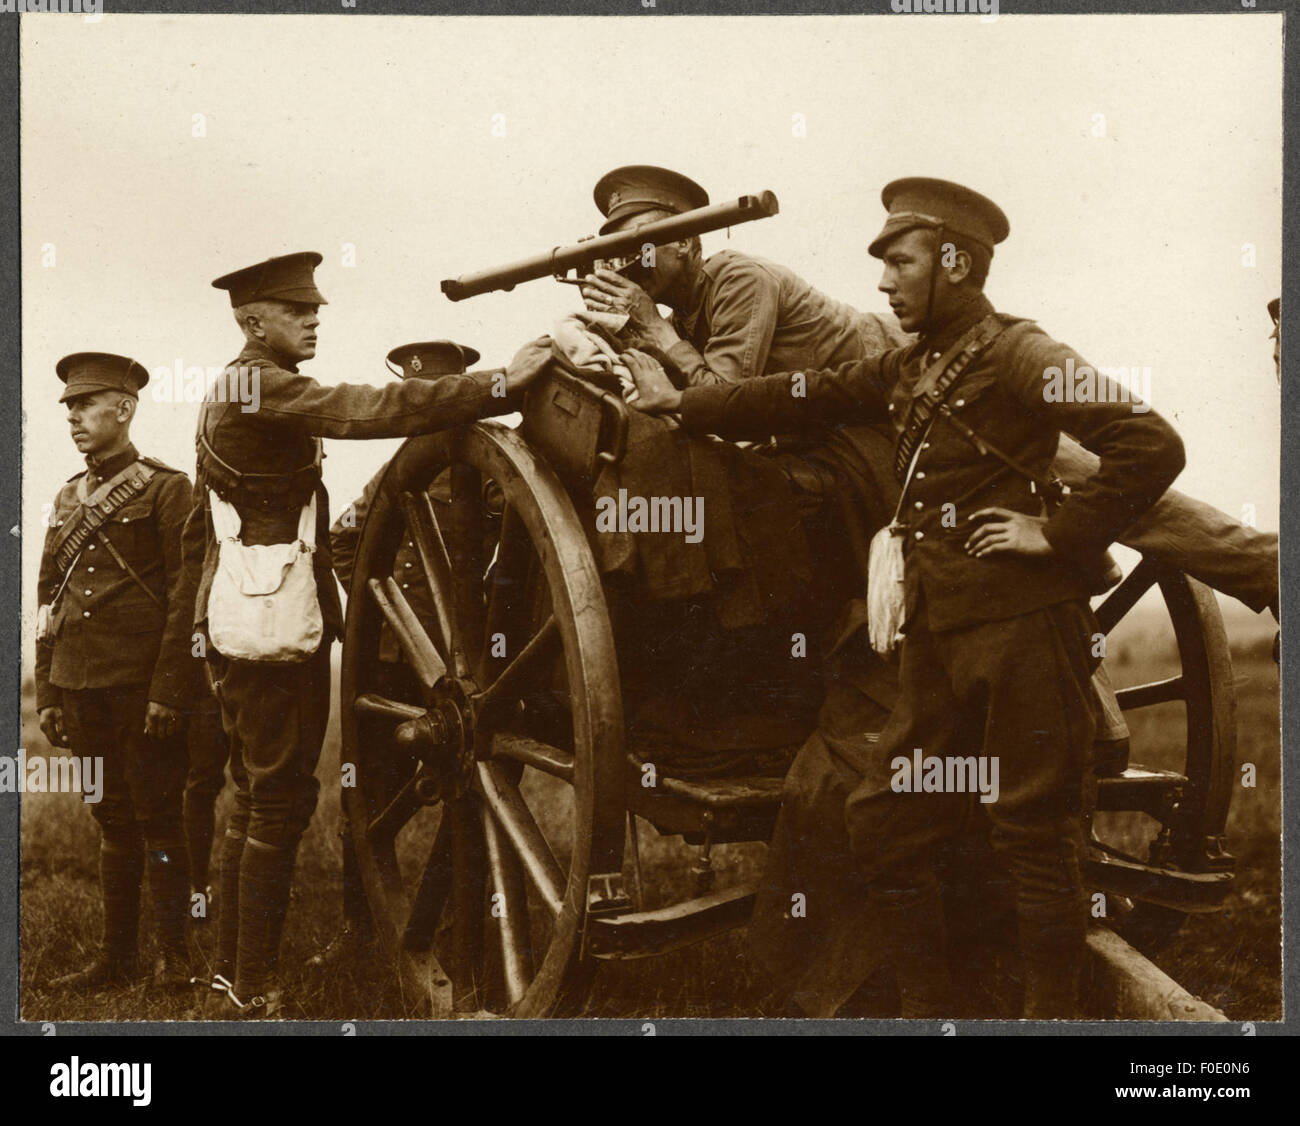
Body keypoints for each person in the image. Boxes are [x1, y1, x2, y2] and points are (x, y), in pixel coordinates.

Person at [624, 178, 1188, 1018]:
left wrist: (1058, 537)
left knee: (1033, 836)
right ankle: (932, 1008)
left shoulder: (1022, 354)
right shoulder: (909, 364)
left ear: (954, 263)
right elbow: (796, 394)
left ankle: (1049, 1017)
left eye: (900, 262)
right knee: (888, 821)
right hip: (936, 638)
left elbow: (1149, 442)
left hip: (1023, 632)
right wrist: (687, 402)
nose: (884, 282)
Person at [184, 252, 550, 1017]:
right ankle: (249, 986)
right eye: (297, 311)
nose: (315, 318)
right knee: (275, 800)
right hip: (270, 628)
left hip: (253, 621)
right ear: (254, 322)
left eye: (314, 308)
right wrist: (499, 384)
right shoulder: (257, 386)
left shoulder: (238, 384)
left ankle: (231, 979)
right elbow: (362, 410)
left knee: (256, 797)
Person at [311, 339, 483, 969]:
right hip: (388, 661)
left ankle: (462, 934)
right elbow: (343, 538)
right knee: (365, 793)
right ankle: (360, 930)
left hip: (459, 662)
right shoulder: (394, 474)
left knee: (469, 797)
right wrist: (373, 604)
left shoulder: (483, 468)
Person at [36, 353, 198, 994]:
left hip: (141, 687)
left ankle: (176, 962)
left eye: (86, 404)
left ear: (124, 408)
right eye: (69, 408)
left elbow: (187, 595)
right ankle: (117, 959)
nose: (73, 417)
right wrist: (48, 688)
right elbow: (48, 600)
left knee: (159, 818)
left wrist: (168, 689)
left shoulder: (166, 488)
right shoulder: (64, 497)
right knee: (110, 819)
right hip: (81, 688)